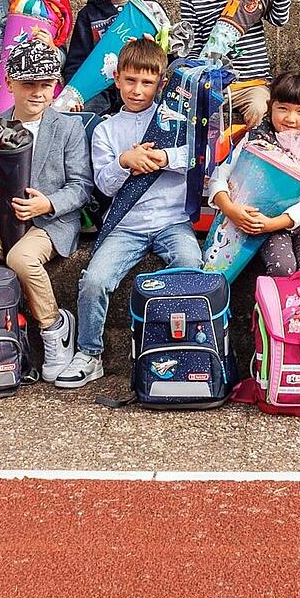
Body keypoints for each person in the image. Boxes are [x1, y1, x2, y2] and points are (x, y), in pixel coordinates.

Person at [58, 38, 202, 389]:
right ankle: (90, 354)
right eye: (130, 81)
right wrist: (125, 161)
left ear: (161, 84)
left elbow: (199, 158)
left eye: (147, 82)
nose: (137, 90)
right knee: (94, 280)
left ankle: (182, 346)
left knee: (190, 266)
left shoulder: (174, 120)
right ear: (117, 78)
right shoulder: (106, 129)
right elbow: (104, 186)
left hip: (172, 220)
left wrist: (165, 159)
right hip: (125, 224)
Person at [0, 38, 95, 379]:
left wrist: (47, 202)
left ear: (55, 85)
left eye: (46, 84)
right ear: (9, 84)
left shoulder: (68, 127)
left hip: (50, 222)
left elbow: (81, 187)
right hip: (1, 217)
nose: (37, 92)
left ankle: (53, 328)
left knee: (21, 257)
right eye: (28, 84)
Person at [168, 0, 296, 126]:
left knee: (259, 108)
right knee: (191, 113)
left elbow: (279, 18)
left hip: (252, 84)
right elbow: (194, 48)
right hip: (213, 84)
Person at [209, 72, 300, 277]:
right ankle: (269, 308)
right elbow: (220, 175)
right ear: (269, 106)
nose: (290, 119)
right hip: (263, 219)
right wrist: (229, 209)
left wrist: (273, 223)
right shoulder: (256, 137)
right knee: (281, 266)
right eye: (282, 108)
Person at [61, 0, 168, 107]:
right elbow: (76, 60)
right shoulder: (89, 14)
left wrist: (152, 48)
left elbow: (166, 56)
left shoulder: (151, 12)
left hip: (138, 86)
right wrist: (73, 93)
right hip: (98, 91)